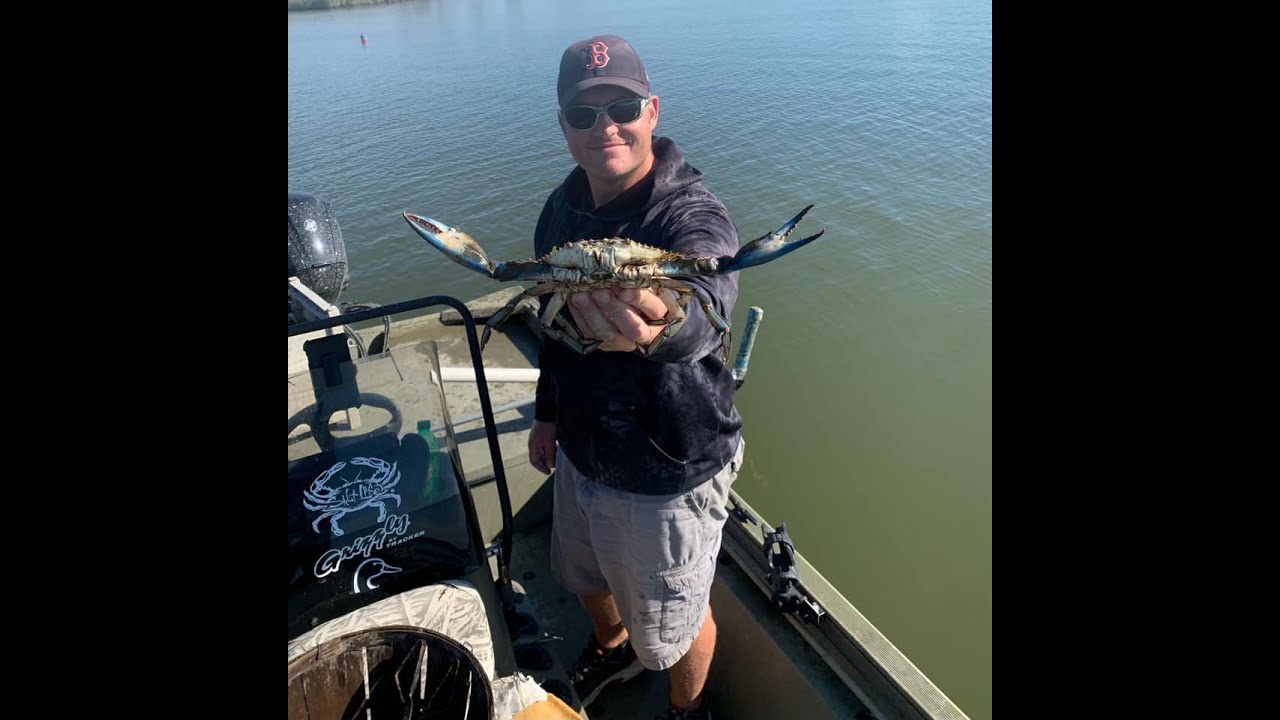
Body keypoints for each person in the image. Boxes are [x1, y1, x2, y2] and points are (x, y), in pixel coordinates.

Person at [526, 34, 745, 720]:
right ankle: (612, 644)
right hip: (582, 447)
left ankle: (687, 709)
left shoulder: (689, 212)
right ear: (564, 127)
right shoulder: (560, 211)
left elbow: (708, 306)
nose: (605, 128)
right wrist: (547, 414)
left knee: (675, 627)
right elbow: (549, 324)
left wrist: (660, 330)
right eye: (583, 115)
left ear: (651, 111)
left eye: (621, 108)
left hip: (668, 463)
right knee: (580, 574)